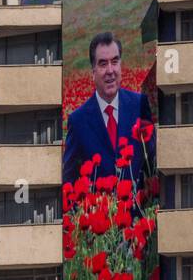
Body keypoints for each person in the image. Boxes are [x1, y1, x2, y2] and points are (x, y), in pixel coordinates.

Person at [62, 31, 155, 186]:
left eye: (115, 61)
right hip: (100, 208)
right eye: (103, 64)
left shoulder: (140, 105)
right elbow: (68, 186)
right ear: (93, 72)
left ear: (121, 65)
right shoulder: (78, 121)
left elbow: (153, 162)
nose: (110, 70)